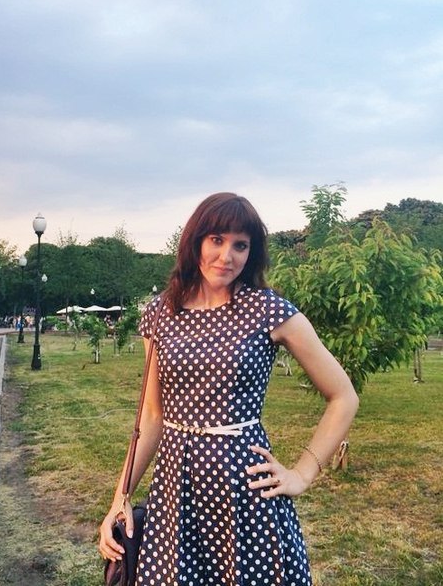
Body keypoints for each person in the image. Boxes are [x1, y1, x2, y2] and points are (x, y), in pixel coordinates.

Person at [99, 192, 359, 585]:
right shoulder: (160, 313)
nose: (227, 256)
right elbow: (153, 416)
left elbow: (343, 397)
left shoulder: (269, 311)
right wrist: (120, 496)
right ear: (196, 242)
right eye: (217, 240)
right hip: (174, 489)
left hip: (245, 491)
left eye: (241, 245)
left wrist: (303, 473)